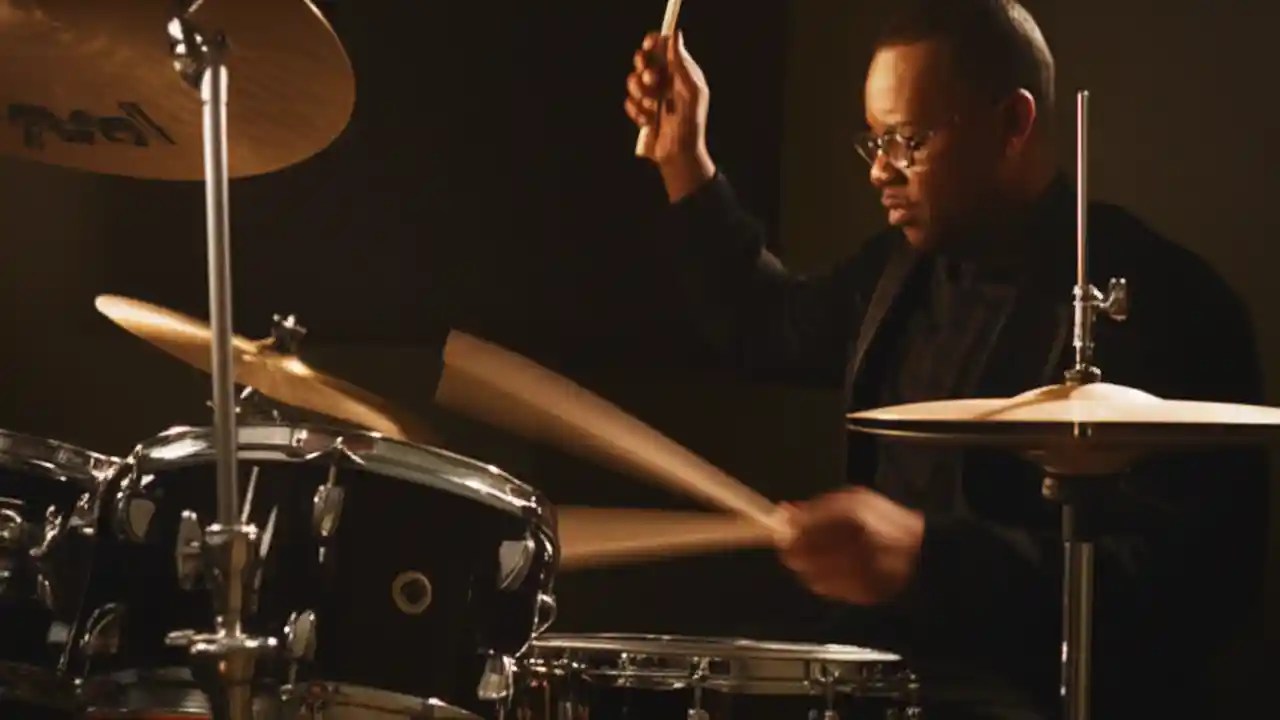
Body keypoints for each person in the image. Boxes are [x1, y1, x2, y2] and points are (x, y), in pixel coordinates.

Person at [623, 0, 1269, 718]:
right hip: (884, 685)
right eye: (874, 143)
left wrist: (925, 556)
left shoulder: (1166, 304)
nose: (882, 173)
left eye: (909, 140)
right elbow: (764, 327)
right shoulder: (901, 273)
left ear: (1013, 123)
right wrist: (686, 158)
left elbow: (1188, 592)